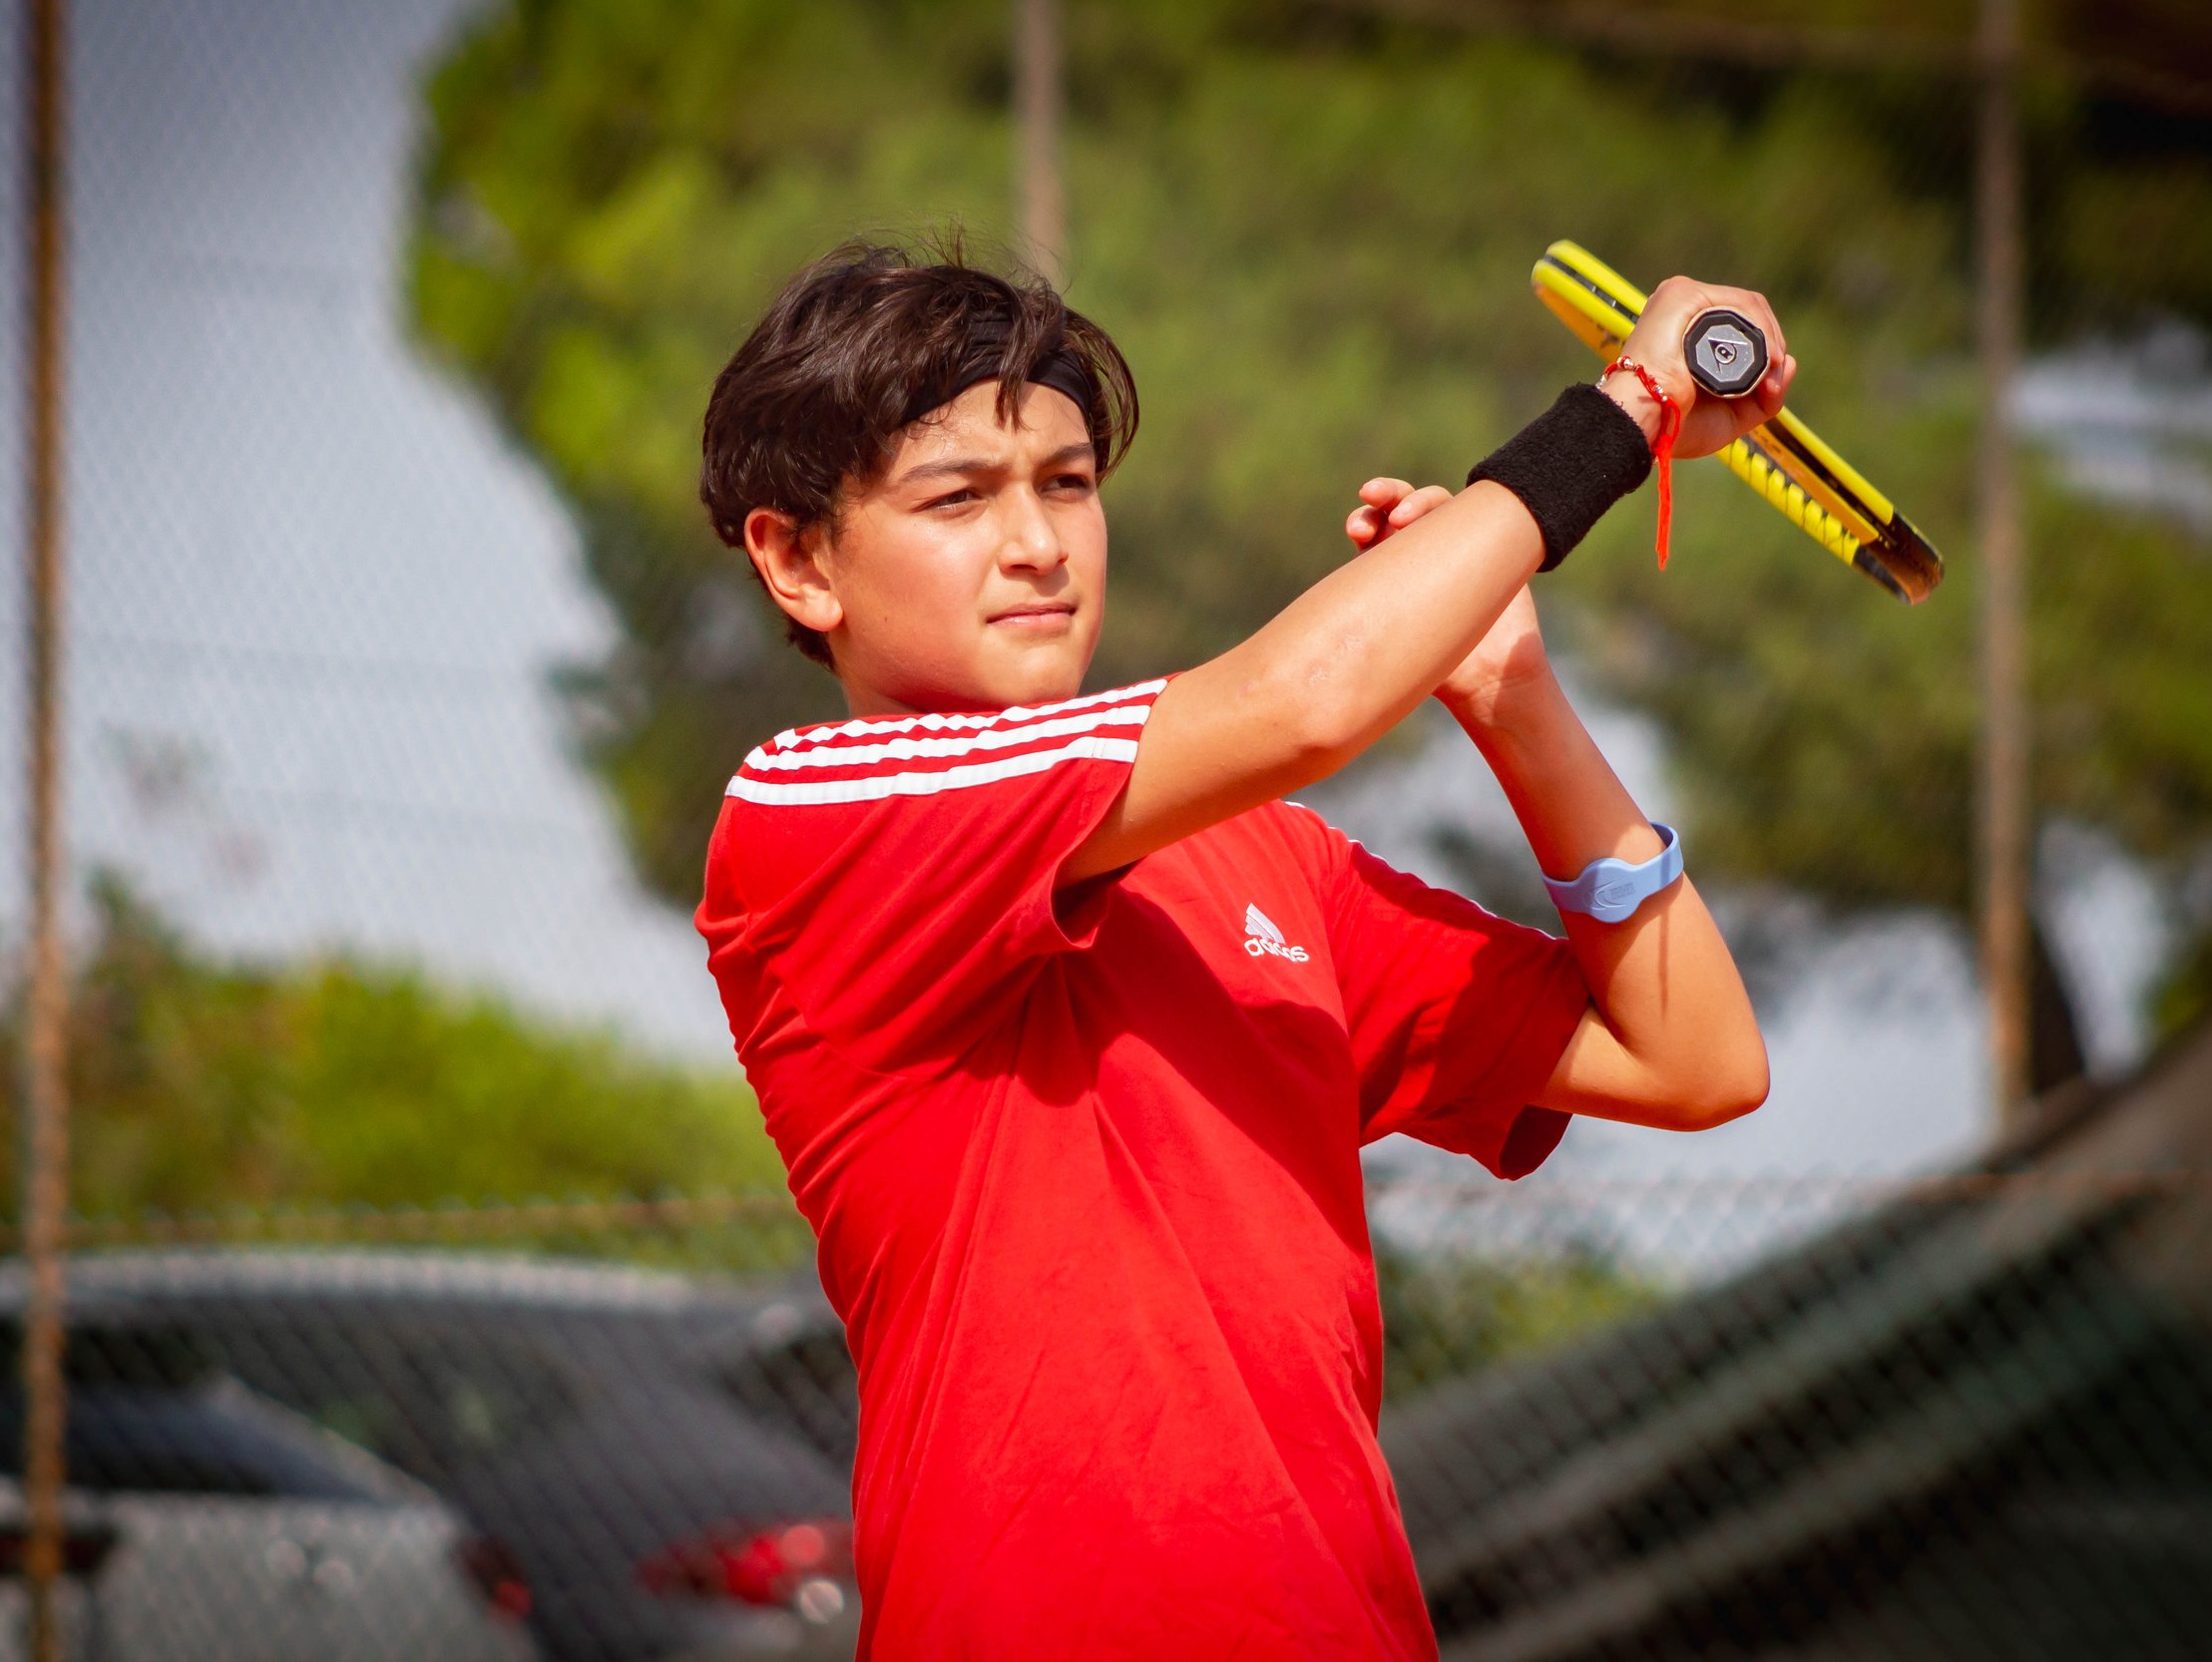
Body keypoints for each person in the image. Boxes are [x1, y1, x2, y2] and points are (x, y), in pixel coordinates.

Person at [693, 241, 1782, 1660]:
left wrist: (1518, 702)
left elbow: (1695, 1057)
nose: (1039, 544)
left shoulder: (1272, 859)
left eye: (1068, 484)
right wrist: (1630, 405)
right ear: (797, 561)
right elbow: (1308, 698)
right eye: (957, 497)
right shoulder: (812, 818)